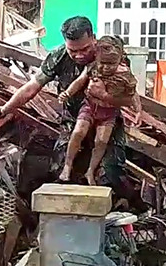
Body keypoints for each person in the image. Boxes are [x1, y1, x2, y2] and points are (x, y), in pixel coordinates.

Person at [0, 16, 139, 193]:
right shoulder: (58, 56)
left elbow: (128, 98)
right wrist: (1, 112)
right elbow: (31, 88)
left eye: (85, 49)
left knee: (112, 172)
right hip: (74, 118)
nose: (79, 56)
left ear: (93, 38)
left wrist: (104, 95)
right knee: (59, 169)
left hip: (107, 117)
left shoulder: (111, 56)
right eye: (73, 51)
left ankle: (114, 214)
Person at [58, 36, 140, 185]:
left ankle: (91, 170)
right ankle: (67, 165)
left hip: (108, 113)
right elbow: (79, 81)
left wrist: (138, 110)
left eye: (111, 64)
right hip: (89, 106)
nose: (106, 68)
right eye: (103, 63)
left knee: (101, 141)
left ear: (120, 60)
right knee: (78, 132)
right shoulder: (93, 67)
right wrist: (67, 93)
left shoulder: (125, 75)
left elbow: (133, 94)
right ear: (96, 57)